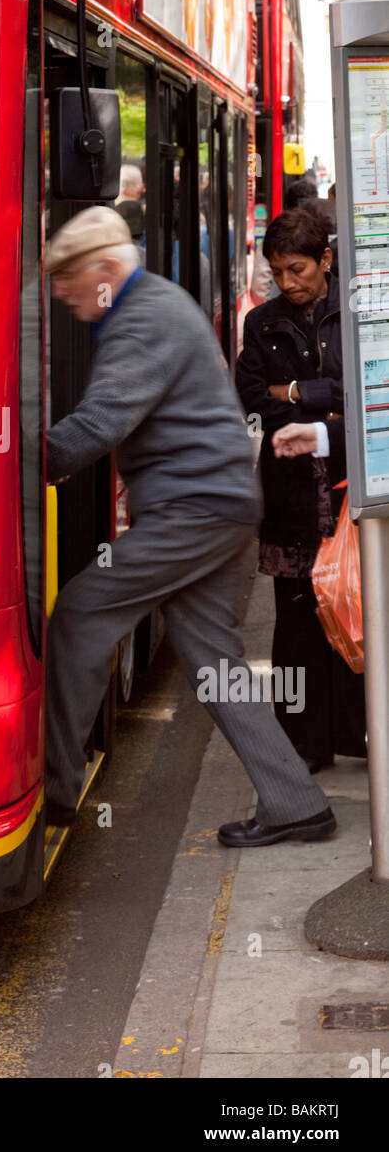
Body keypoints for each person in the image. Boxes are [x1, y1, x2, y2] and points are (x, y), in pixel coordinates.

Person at [44, 205, 335, 845]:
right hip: (222, 504)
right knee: (214, 665)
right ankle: (297, 805)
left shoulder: (141, 318)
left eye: (67, 276)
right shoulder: (153, 305)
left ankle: (54, 791)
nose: (61, 291)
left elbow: (99, 424)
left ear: (106, 269)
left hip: (194, 510)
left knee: (81, 613)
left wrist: (10, 464)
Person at [234, 209, 366, 772]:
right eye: (277, 271)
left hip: (346, 497)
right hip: (290, 497)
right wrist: (320, 398)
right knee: (296, 624)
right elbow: (251, 395)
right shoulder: (261, 324)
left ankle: (359, 733)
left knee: (356, 612)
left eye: (298, 270)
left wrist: (295, 390)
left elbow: (362, 390)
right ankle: (303, 747)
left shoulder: (359, 313)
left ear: (325, 262)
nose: (287, 283)